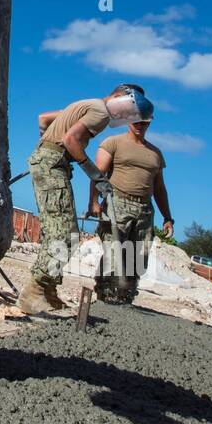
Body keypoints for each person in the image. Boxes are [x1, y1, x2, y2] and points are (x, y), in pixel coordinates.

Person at [20, 83, 154, 316]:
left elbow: (43, 119)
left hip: (51, 163)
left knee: (66, 233)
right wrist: (92, 172)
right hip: (52, 165)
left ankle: (48, 290)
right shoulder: (100, 112)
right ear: (119, 98)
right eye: (127, 112)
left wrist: (46, 147)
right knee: (65, 234)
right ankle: (35, 292)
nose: (124, 118)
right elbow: (71, 139)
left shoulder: (86, 104)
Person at [85, 109, 171, 303]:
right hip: (118, 203)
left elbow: (159, 188)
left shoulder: (156, 153)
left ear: (150, 122)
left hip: (144, 210)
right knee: (114, 255)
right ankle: (105, 297)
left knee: (138, 258)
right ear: (129, 120)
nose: (140, 125)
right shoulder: (113, 143)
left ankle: (126, 298)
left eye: (145, 122)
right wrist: (93, 202)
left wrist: (168, 217)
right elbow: (98, 174)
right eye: (137, 121)